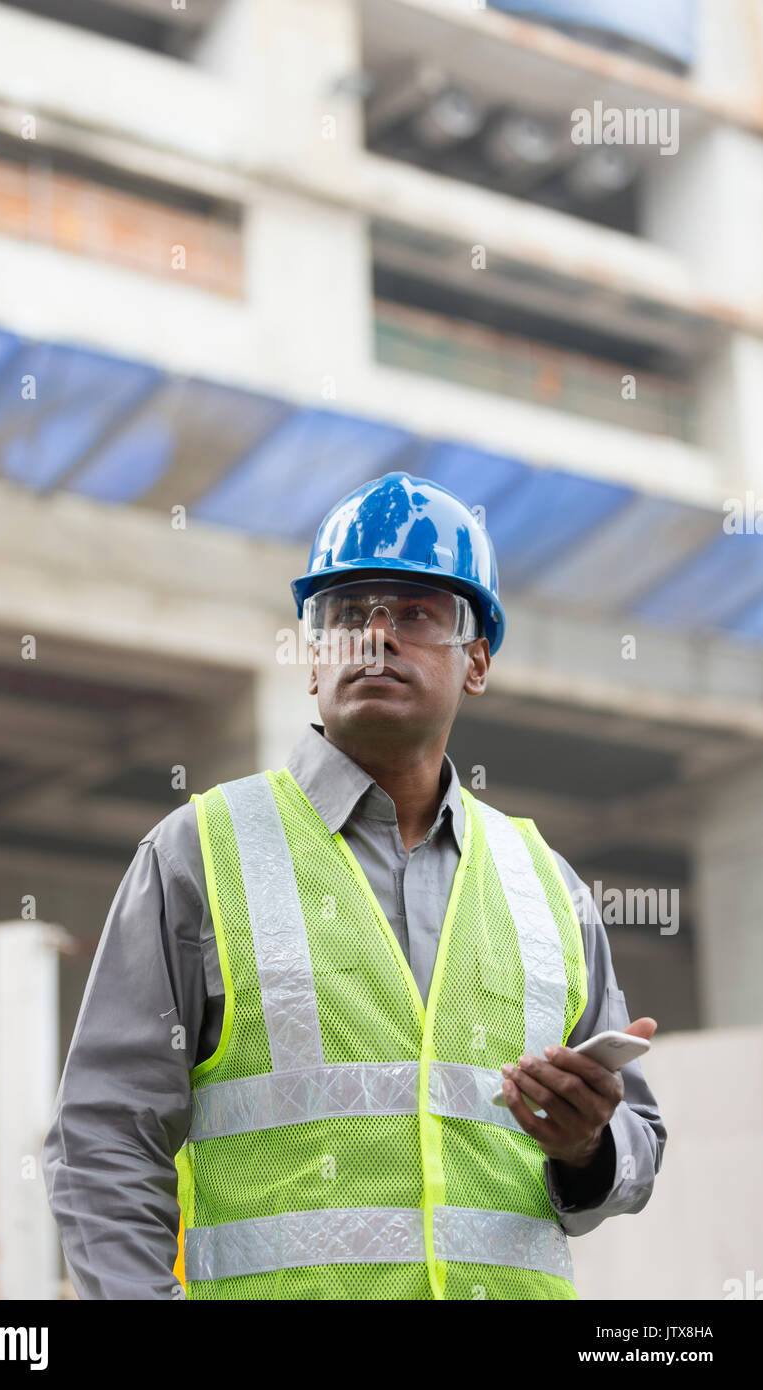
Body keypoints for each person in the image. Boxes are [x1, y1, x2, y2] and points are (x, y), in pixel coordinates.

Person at [42, 470, 665, 1300]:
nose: (375, 635)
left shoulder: (544, 884)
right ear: (311, 656)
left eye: (414, 614)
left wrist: (588, 1149)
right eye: (346, 614)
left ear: (475, 661)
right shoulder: (198, 854)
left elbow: (640, 1142)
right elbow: (104, 1140)